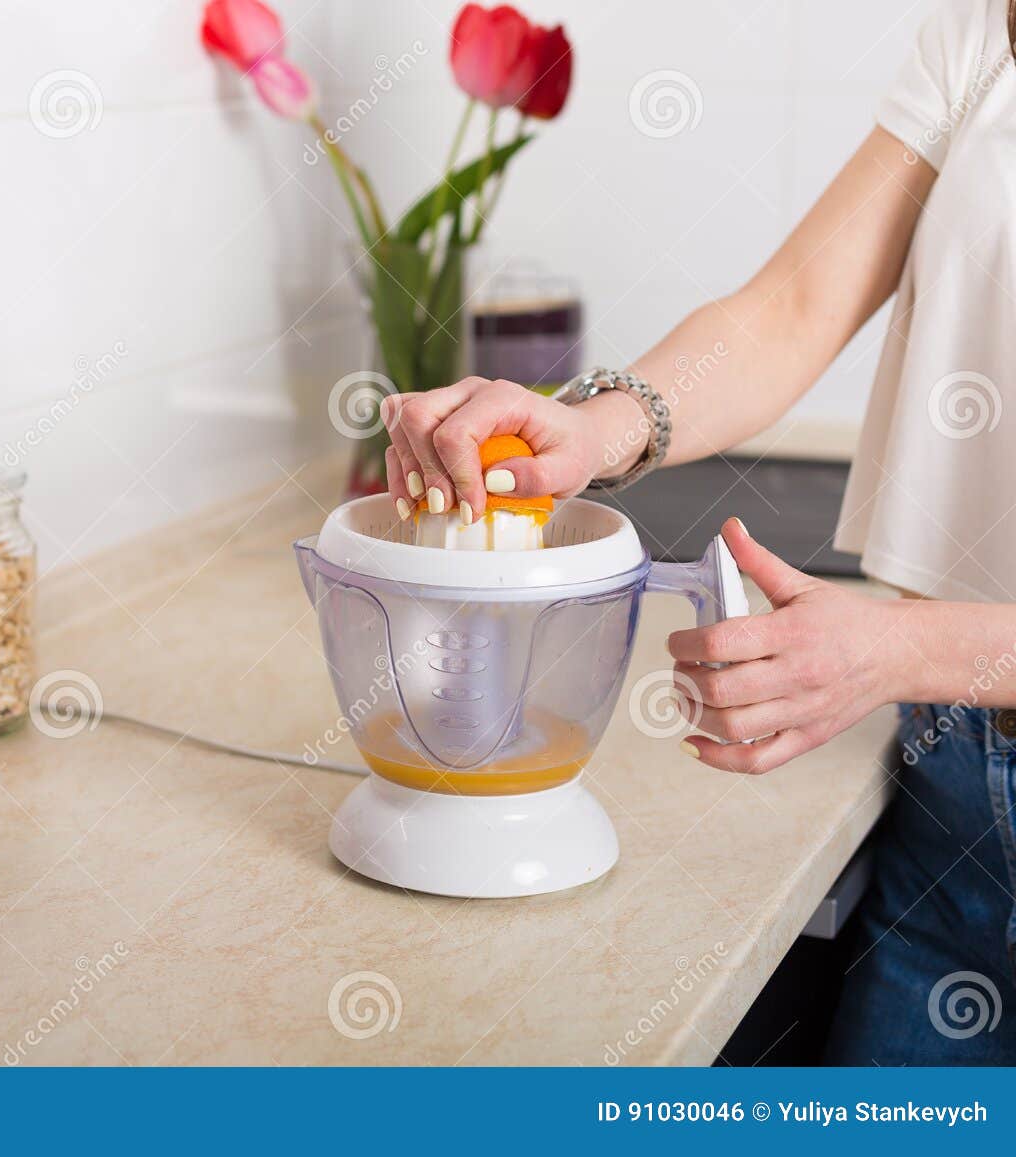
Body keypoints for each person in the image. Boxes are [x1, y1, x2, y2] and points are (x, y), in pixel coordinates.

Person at [379, 0, 1016, 1064]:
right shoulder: (986, 31)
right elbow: (794, 307)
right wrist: (594, 428)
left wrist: (902, 648)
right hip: (957, 800)